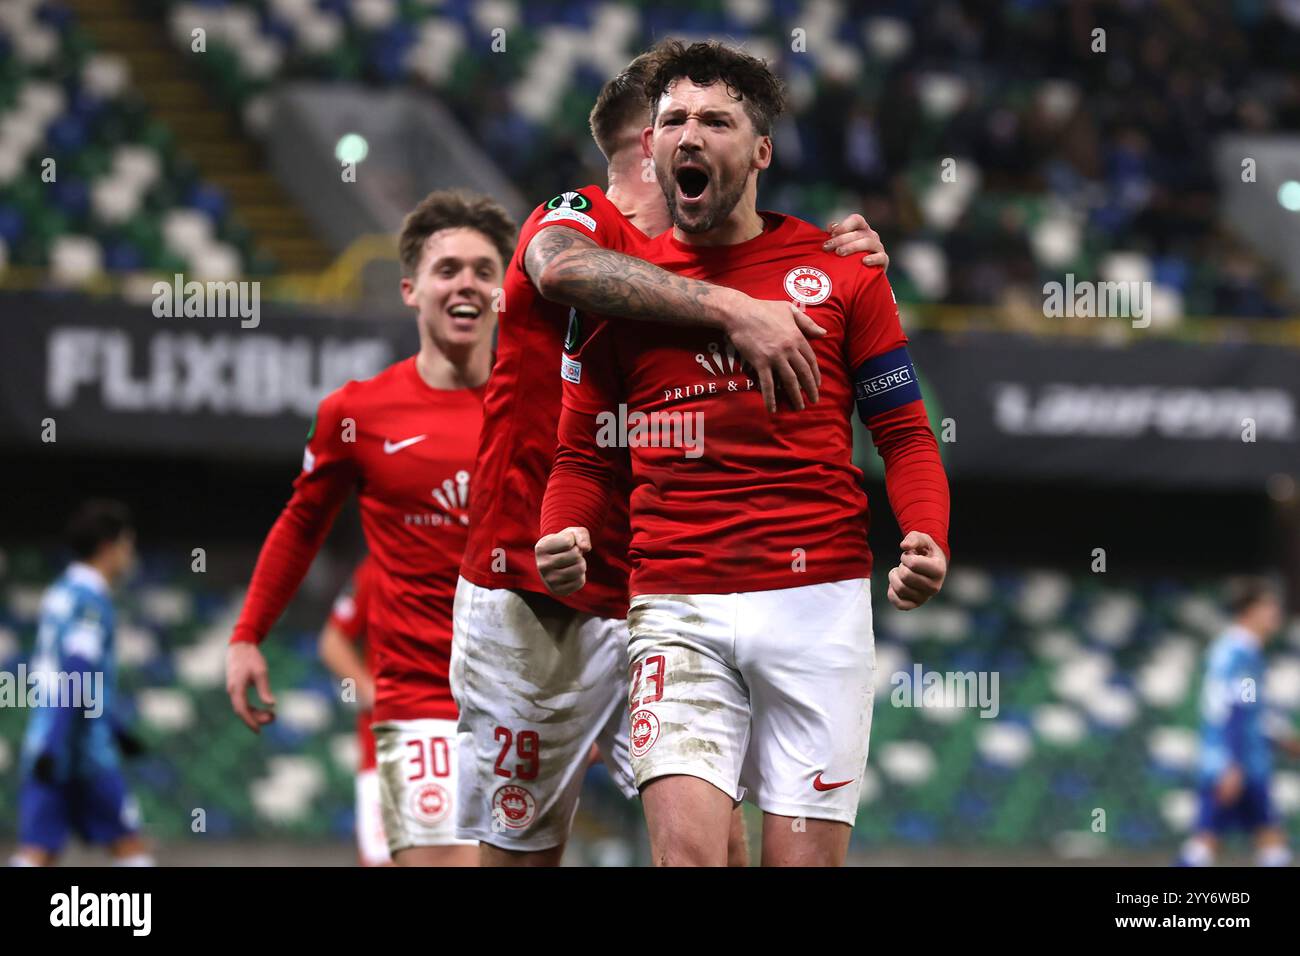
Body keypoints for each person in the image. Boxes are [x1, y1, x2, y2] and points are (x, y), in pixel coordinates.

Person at [452, 49, 889, 866]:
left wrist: (843, 264)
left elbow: (787, 276)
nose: (695, 145)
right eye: (676, 126)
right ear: (641, 148)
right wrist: (734, 310)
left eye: (714, 125)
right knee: (520, 847)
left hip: (665, 592)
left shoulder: (714, 253)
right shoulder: (576, 219)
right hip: (538, 589)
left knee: (710, 843)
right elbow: (561, 270)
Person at [225, 190, 512, 867]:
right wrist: (246, 635)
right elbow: (301, 525)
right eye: (448, 269)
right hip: (421, 699)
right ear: (411, 290)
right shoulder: (358, 414)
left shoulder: (544, 405)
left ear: (504, 292)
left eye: (483, 269)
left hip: (526, 697)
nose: (466, 282)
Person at [12, 499, 151, 867]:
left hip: (49, 738)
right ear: (108, 547)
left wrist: (116, 728)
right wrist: (58, 745)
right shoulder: (91, 601)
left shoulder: (60, 592)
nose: (129, 554)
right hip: (82, 749)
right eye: (127, 544)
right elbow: (77, 670)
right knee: (128, 847)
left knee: (38, 852)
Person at [1179, 578, 1300, 867]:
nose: (1275, 613)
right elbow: (1235, 709)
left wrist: (1280, 740)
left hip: (1245, 759)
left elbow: (1249, 710)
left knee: (1268, 838)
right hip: (1236, 762)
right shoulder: (1238, 654)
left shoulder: (1244, 652)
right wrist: (1232, 763)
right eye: (1268, 606)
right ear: (1249, 611)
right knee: (1207, 840)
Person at [317, 555, 391, 866]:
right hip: (387, 751)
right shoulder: (379, 568)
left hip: (466, 744)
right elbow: (332, 641)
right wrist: (373, 693)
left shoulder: (478, 563)